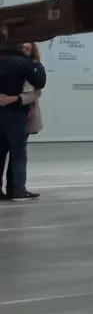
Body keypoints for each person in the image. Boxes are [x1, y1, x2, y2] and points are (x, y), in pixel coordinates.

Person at [0, 42, 47, 201]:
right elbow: (35, 90)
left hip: (18, 110)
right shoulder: (27, 67)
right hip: (17, 114)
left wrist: (13, 98)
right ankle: (18, 189)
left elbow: (35, 93)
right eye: (22, 46)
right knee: (17, 153)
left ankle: (14, 188)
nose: (24, 48)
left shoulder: (27, 65)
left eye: (27, 46)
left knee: (10, 153)